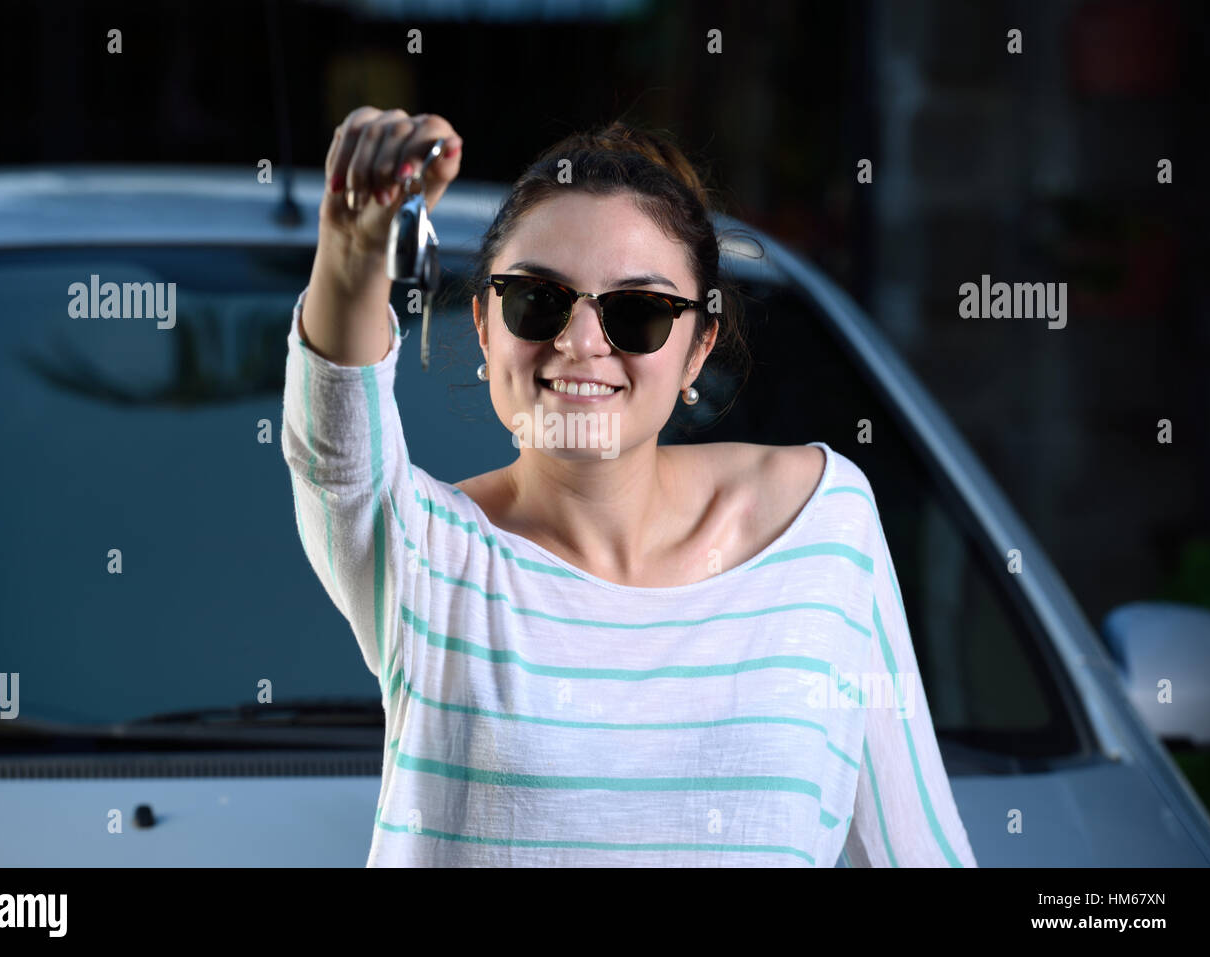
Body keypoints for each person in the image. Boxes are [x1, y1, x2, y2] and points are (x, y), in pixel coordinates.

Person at [281, 106, 978, 867]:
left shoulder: (823, 524)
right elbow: (337, 453)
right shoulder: (427, 557)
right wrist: (351, 250)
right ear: (483, 326)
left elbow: (920, 851)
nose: (581, 343)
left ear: (696, 351)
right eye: (536, 300)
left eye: (637, 312)